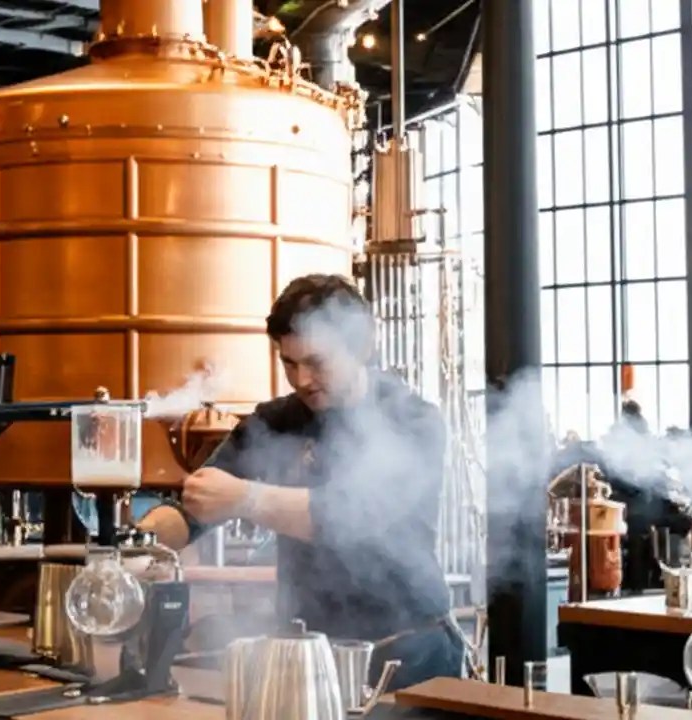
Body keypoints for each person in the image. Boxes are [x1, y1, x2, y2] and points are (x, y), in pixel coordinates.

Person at [137, 273, 465, 691]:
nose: (301, 380)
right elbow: (197, 506)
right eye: (288, 363)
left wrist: (248, 498)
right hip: (312, 658)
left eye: (316, 362)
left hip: (411, 654)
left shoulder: (413, 420)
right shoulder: (276, 421)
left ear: (362, 346)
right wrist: (133, 547)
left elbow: (353, 517)